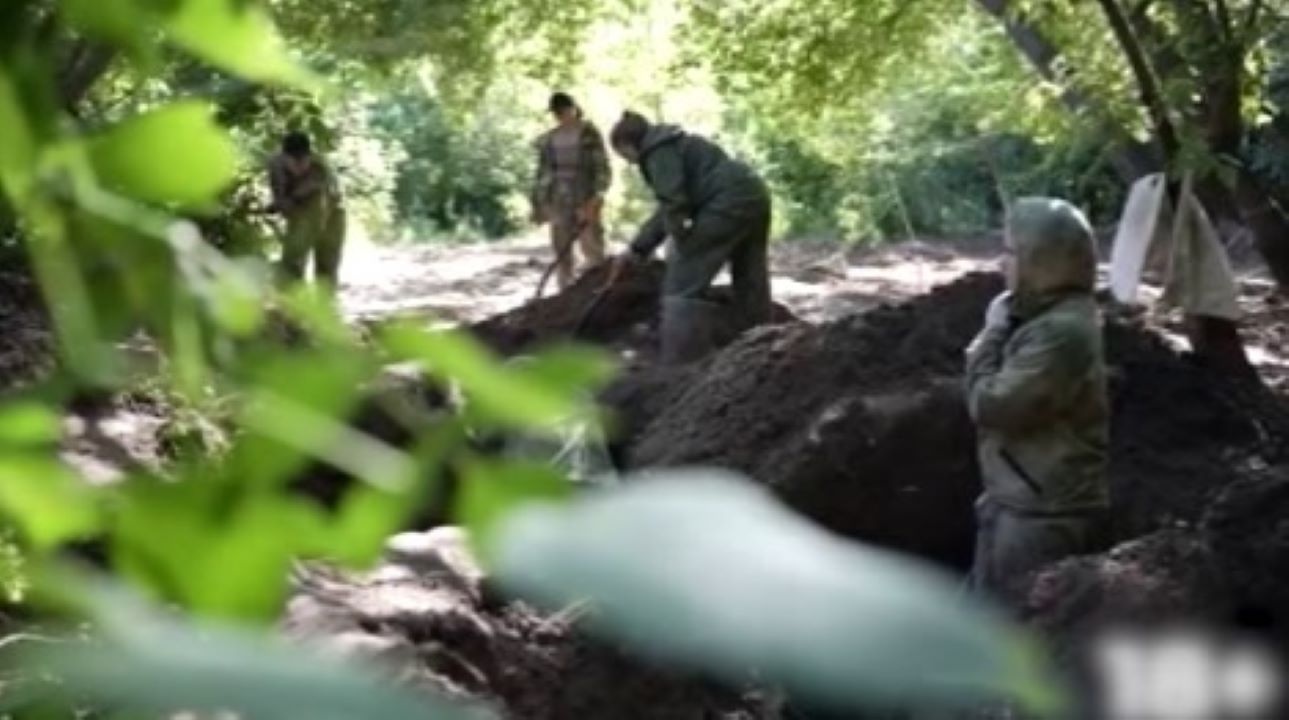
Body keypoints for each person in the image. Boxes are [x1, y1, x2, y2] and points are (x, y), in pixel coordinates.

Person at [964, 197, 1111, 605]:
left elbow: (991, 406)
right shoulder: (1048, 317)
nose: (1001, 263)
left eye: (1011, 252)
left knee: (1016, 637)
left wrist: (990, 336)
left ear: (1041, 261)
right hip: (1021, 500)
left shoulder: (1061, 332)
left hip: (1041, 515)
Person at [609, 110, 772, 364]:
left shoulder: (657, 153)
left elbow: (673, 203)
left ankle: (681, 363)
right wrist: (638, 248)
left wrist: (680, 241)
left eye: (623, 155)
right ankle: (763, 343)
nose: (628, 162)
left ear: (628, 145)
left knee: (682, 282)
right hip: (753, 192)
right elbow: (668, 207)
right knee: (750, 274)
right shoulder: (676, 143)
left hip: (726, 202)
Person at [530, 92, 612, 290]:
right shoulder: (550, 139)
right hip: (558, 198)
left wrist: (598, 195)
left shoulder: (589, 134)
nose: (560, 115)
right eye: (556, 112)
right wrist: (538, 203)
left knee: (592, 245)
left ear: (573, 108)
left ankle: (596, 289)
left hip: (585, 196)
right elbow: (542, 173)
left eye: (563, 110)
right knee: (561, 249)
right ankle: (564, 292)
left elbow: (602, 166)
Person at [266, 131, 346, 289]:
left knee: (326, 268)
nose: (299, 166)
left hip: (332, 214)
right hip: (299, 213)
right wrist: (282, 205)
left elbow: (327, 204)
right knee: (291, 266)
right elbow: (280, 198)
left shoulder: (321, 167)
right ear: (285, 157)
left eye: (302, 160)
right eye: (294, 160)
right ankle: (290, 305)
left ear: (309, 156)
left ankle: (323, 307)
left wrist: (293, 199)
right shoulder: (276, 165)